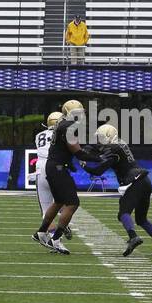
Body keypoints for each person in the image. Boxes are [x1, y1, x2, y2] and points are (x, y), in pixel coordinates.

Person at [82, 124, 152, 256]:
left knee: (123, 212)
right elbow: (102, 150)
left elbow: (99, 170)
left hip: (134, 181)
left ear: (108, 136)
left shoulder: (114, 148)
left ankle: (133, 236)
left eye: (101, 137)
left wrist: (84, 165)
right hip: (145, 181)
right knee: (141, 219)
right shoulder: (120, 144)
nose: (99, 140)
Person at [39, 99, 98, 254]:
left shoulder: (63, 124)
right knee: (72, 203)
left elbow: (65, 148)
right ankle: (56, 238)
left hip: (54, 166)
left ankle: (40, 232)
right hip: (57, 168)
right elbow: (76, 151)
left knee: (59, 201)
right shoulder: (68, 126)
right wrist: (99, 157)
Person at [32, 110, 66, 243]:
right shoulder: (63, 134)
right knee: (66, 202)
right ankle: (63, 225)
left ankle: (55, 238)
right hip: (56, 168)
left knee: (46, 211)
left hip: (41, 170)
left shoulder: (39, 135)